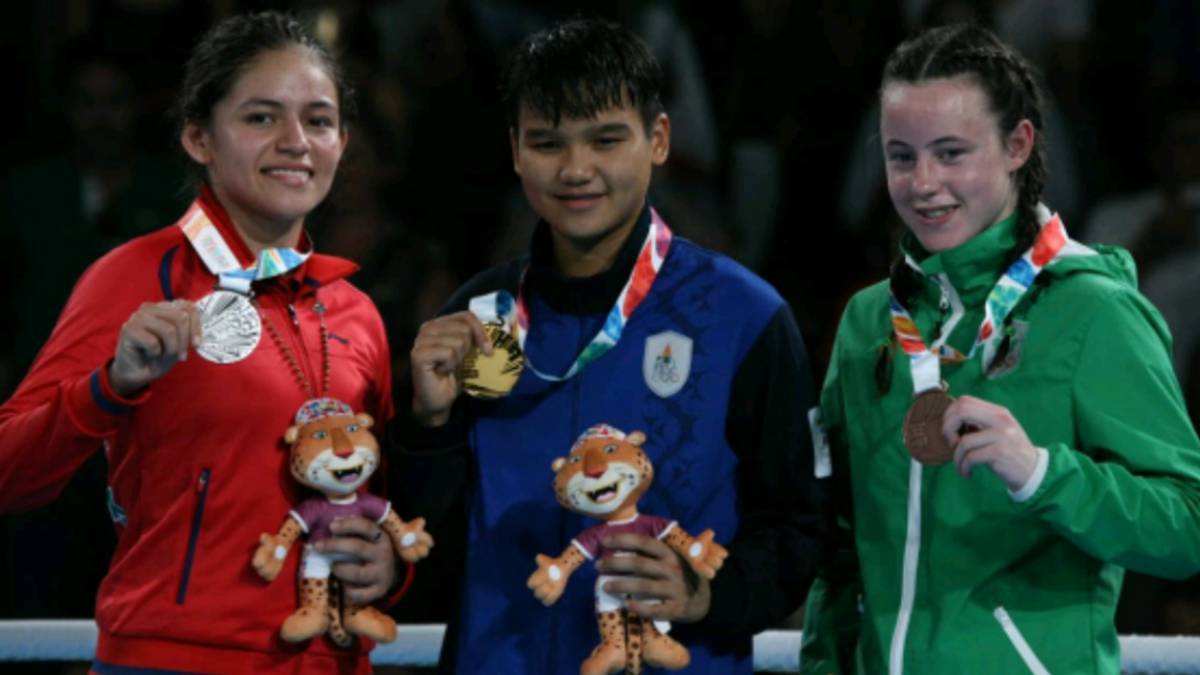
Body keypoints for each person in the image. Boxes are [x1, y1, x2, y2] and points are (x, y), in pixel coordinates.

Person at [392, 17, 825, 674]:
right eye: (547, 142)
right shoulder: (478, 318)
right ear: (514, 150)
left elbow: (801, 526)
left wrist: (710, 591)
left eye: (605, 139)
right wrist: (426, 428)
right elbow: (427, 548)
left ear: (658, 140)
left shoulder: (745, 316)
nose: (575, 169)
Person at [0, 12, 405, 674]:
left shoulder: (355, 311)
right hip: (173, 661)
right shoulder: (136, 276)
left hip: (332, 660)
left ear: (344, 141)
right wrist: (110, 386)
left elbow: (376, 499)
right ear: (197, 138)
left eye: (320, 120)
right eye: (261, 117)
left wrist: (388, 564)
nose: (296, 141)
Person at [800, 24, 1200, 675]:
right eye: (901, 156)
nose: (923, 182)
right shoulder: (868, 320)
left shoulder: (1093, 309)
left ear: (1018, 145)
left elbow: (1189, 524)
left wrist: (1045, 473)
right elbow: (839, 551)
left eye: (951, 152)